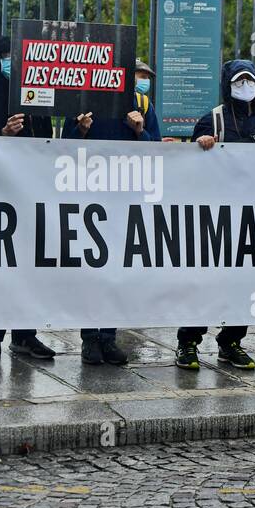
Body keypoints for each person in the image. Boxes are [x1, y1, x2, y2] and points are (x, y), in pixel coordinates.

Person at [175, 60, 255, 371]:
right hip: (215, 218)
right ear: (228, 85)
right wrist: (199, 145)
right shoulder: (212, 120)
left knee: (247, 281)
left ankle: (231, 341)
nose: (245, 87)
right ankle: (188, 343)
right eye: (239, 81)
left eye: (250, 81)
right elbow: (191, 167)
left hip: (251, 218)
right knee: (206, 281)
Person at [0, 37, 57, 363]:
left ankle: (25, 336)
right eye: (4, 56)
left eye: (14, 56)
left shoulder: (37, 97)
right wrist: (2, 135)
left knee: (29, 268)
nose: (9, 62)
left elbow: (47, 142)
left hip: (29, 194)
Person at [62, 59, 161, 365]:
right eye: (134, 76)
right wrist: (81, 131)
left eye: (141, 78)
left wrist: (140, 132)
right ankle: (90, 338)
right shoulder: (84, 101)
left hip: (124, 198)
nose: (138, 82)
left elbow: (156, 149)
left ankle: (108, 336)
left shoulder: (143, 105)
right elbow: (64, 147)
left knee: (117, 270)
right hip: (91, 198)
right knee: (92, 269)